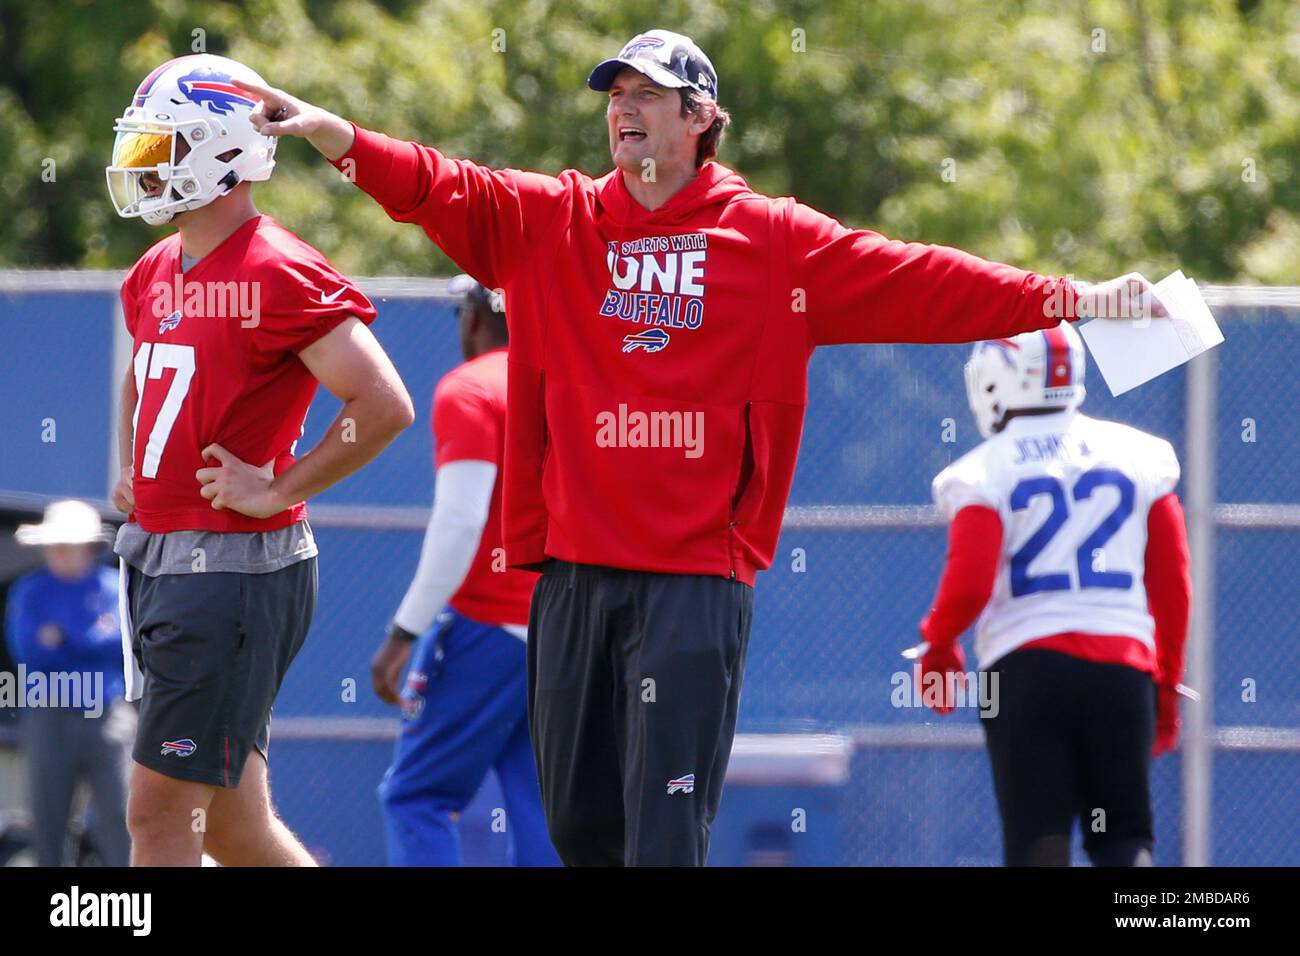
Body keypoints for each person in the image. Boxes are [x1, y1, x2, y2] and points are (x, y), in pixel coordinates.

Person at [235, 29, 1164, 866]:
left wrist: (1071, 297)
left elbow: (925, 281)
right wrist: (339, 137)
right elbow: (439, 182)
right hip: (568, 576)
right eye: (614, 96)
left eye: (647, 94)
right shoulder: (552, 222)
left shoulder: (773, 242)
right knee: (575, 825)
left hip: (691, 582)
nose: (624, 110)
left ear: (700, 117)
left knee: (666, 829)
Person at [106, 53, 414, 867]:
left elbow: (383, 405)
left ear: (218, 150)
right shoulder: (154, 269)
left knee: (159, 817)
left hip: (230, 569)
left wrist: (278, 483)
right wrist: (135, 463)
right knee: (235, 827)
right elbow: (144, 374)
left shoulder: (278, 267)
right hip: (167, 558)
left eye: (161, 147)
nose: (144, 166)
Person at [917, 321, 1191, 866]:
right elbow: (1172, 580)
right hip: (1121, 666)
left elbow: (970, 580)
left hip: (1026, 669)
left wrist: (939, 641)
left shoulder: (981, 471)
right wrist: (1166, 679)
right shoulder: (1139, 456)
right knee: (1124, 839)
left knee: (1037, 840)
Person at [370, 276, 559, 867]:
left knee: (415, 796)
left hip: (487, 627)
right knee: (540, 804)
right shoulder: (573, 383)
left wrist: (403, 634)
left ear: (475, 317)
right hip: (566, 629)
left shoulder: (472, 389)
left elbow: (459, 523)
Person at [5, 500, 133, 866]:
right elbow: (27, 650)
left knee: (118, 814)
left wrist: (63, 637)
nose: (59, 553)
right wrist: (88, 639)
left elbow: (121, 646)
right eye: (54, 545)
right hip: (48, 716)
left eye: (68, 544)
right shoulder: (29, 590)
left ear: (88, 547)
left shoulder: (112, 587)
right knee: (48, 820)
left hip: (109, 717)